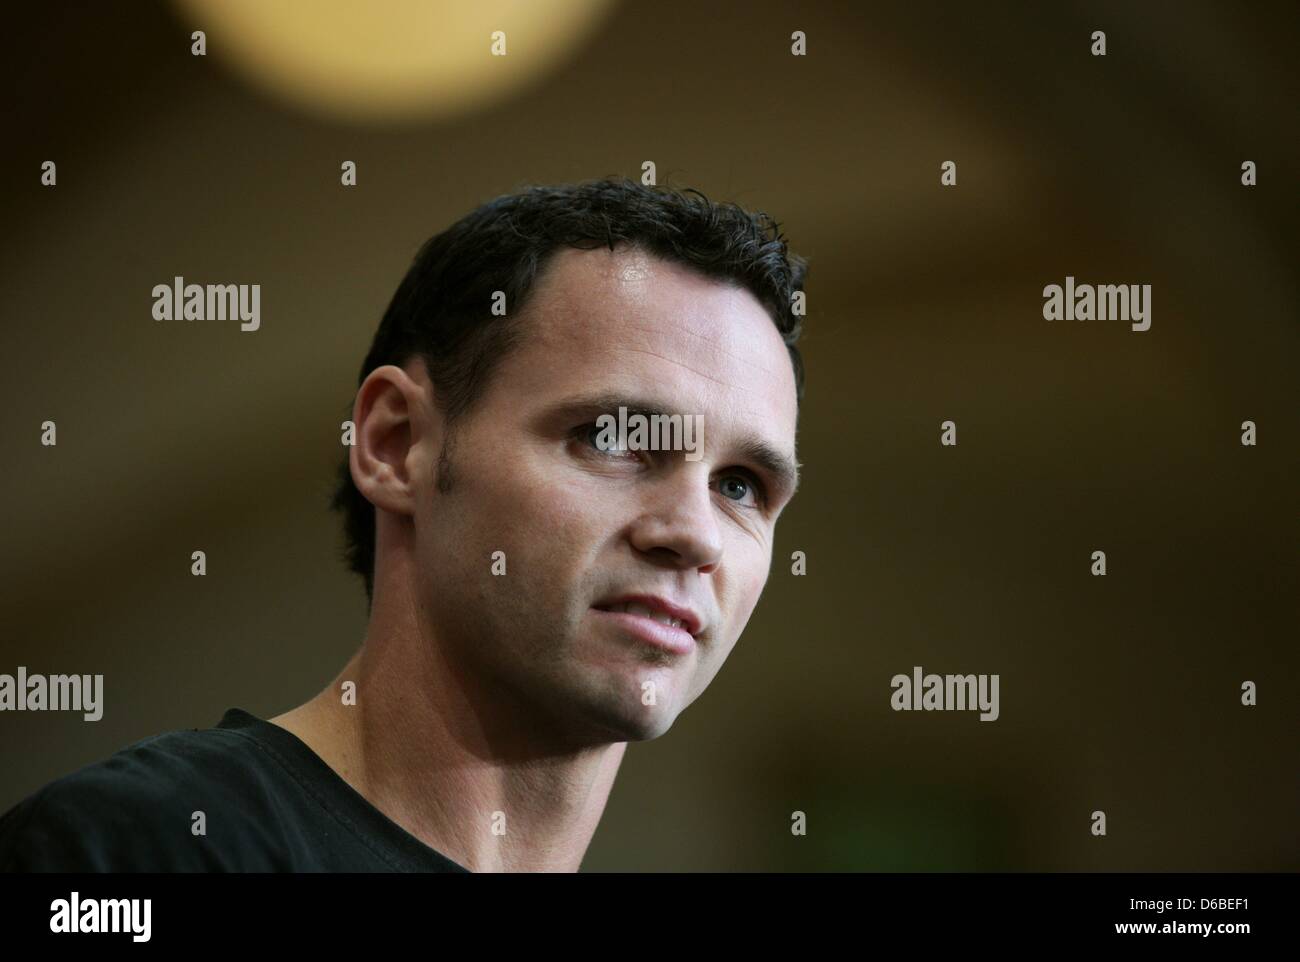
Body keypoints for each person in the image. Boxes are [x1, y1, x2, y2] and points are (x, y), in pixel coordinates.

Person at [0, 178, 808, 872]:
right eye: (612, 438)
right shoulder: (133, 850)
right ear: (396, 445)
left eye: (741, 485)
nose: (695, 534)